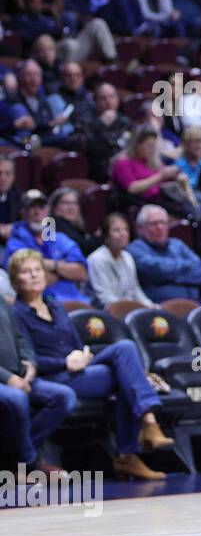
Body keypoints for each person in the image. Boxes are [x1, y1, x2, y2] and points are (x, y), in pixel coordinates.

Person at [9, 249, 171, 481]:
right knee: (125, 376)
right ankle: (134, 445)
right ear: (16, 280)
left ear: (45, 276)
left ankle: (143, 430)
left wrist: (83, 355)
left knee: (125, 349)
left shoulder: (55, 306)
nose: (34, 275)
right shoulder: (16, 314)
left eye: (37, 270)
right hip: (52, 376)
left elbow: (76, 343)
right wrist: (64, 362)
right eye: (26, 272)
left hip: (79, 370)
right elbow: (25, 358)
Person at [0, 289, 73, 477]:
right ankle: (29, 464)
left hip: (19, 375)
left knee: (63, 396)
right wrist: (8, 378)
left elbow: (19, 339)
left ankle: (14, 460)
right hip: (6, 379)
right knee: (16, 398)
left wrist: (30, 365)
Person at [3, 190, 90, 304]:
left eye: (41, 207)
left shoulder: (60, 239)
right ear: (23, 213)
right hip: (40, 306)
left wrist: (52, 265)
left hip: (77, 302)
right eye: (32, 207)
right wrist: (65, 271)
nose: (37, 212)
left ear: (47, 211)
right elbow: (30, 281)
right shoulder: (15, 242)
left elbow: (81, 273)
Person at [128, 204, 201, 302]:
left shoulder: (177, 244)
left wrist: (169, 275)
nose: (159, 227)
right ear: (140, 228)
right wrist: (186, 270)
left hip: (195, 303)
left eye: (163, 223)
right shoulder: (135, 248)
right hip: (160, 308)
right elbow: (154, 271)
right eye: (154, 223)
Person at [86, 213, 155, 309]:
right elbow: (104, 297)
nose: (123, 234)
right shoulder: (96, 259)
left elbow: (135, 290)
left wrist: (150, 305)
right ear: (106, 236)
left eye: (125, 229)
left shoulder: (128, 257)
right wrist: (130, 308)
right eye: (116, 230)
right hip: (101, 311)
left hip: (126, 308)